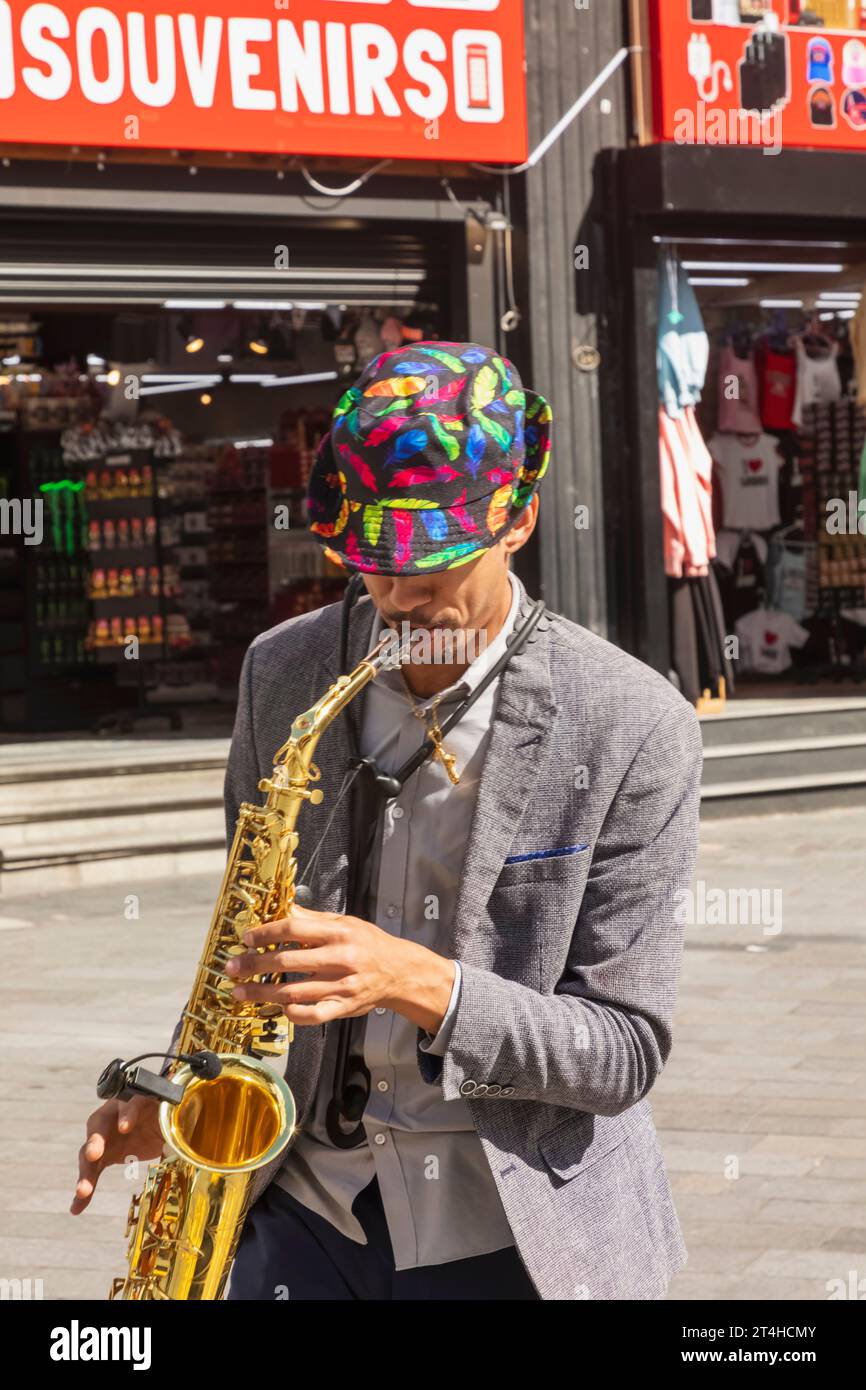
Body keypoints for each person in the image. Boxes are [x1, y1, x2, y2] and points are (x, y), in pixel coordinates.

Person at [73, 342, 703, 1301]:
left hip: (511, 1232)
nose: (401, 600)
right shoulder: (280, 670)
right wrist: (176, 1096)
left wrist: (427, 985)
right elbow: (246, 947)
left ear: (521, 518)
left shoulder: (631, 722)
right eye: (373, 566)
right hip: (301, 1211)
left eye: (435, 565)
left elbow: (623, 1054)